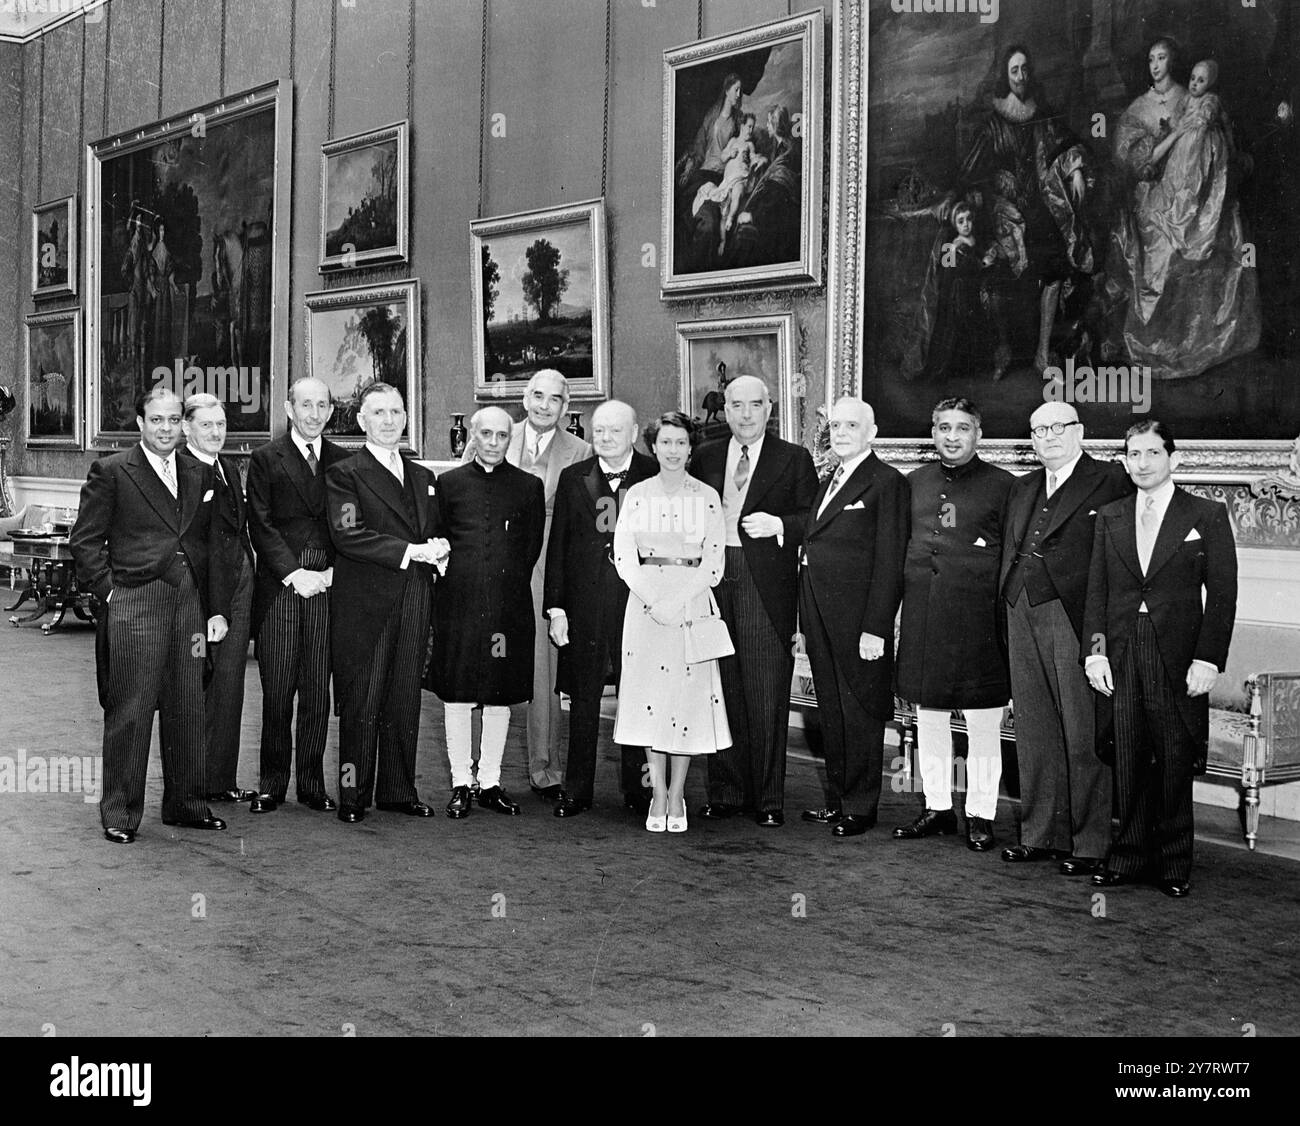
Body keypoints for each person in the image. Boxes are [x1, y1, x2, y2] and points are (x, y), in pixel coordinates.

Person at [69, 386, 232, 844]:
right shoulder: (113, 471)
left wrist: (215, 609)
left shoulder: (199, 473)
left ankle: (187, 805)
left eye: (173, 420)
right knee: (132, 708)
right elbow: (85, 542)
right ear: (140, 423)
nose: (165, 428)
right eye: (156, 420)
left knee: (188, 705)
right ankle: (120, 812)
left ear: (183, 424)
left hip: (190, 608)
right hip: (135, 604)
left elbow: (213, 547)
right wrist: (110, 595)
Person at [1083, 421, 1237, 898]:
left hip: (1178, 656)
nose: (1143, 463)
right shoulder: (1110, 515)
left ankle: (1173, 864)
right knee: (1126, 756)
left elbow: (1224, 594)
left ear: (1173, 458)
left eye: (1152, 453)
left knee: (1173, 758)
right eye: (1134, 454)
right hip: (1124, 650)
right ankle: (1127, 857)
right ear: (1125, 461)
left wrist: (1208, 660)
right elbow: (1097, 592)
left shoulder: (1205, 514)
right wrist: (1096, 654)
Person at [999, 401, 1131, 873]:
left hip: (1073, 615)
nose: (1048, 436)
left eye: (1058, 427)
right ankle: (1040, 835)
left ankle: (1089, 843)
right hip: (1019, 607)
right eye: (1038, 430)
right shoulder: (1023, 486)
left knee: (1082, 731)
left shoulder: (1109, 479)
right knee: (1033, 730)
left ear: (1080, 432)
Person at [693, 375, 818, 827]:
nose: (746, 414)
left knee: (765, 691)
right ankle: (725, 792)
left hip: (763, 580)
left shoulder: (794, 458)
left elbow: (814, 518)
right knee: (720, 688)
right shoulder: (705, 456)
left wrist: (780, 524)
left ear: (770, 409)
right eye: (736, 405)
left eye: (755, 405)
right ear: (725, 410)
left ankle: (767, 799)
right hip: (711, 579)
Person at [893, 398, 1014, 851]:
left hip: (979, 622)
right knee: (931, 720)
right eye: (943, 427)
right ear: (933, 431)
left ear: (977, 434)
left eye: (962, 428)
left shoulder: (1004, 487)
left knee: (984, 726)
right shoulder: (914, 483)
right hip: (926, 617)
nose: (952, 436)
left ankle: (981, 814)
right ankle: (938, 807)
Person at [326, 383, 447, 824]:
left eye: (396, 412)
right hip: (365, 600)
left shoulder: (423, 477)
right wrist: (410, 551)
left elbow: (432, 531)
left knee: (403, 696)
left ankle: (399, 790)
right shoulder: (345, 473)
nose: (389, 421)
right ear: (362, 421)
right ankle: (353, 796)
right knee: (362, 698)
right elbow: (347, 534)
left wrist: (439, 550)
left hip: (415, 594)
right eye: (379, 413)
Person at [1106, 40, 1259, 379]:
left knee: (1216, 226)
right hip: (1163, 187)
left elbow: (1223, 143)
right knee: (1154, 229)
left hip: (1199, 188)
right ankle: (1156, 340)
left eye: (1161, 58)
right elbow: (1137, 161)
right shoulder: (1138, 107)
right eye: (1151, 59)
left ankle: (1194, 341)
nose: (1156, 65)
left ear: (1173, 62)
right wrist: (1153, 160)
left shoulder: (1195, 99)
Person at [941, 43, 1092, 376]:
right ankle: (1004, 347)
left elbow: (1066, 141)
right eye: (1014, 70)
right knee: (1000, 277)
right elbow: (970, 171)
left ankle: (1042, 353)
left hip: (1040, 207)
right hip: (1005, 213)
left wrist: (1077, 169)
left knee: (1054, 270)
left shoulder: (1042, 113)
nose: (1021, 76)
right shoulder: (994, 124)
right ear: (1005, 77)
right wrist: (995, 181)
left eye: (1025, 69)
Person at [613, 411, 730, 833]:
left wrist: (677, 600)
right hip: (645, 608)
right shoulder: (638, 495)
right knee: (652, 700)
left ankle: (677, 793)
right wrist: (654, 599)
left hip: (691, 606)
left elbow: (713, 562)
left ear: (691, 448)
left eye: (681, 443)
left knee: (684, 703)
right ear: (653, 445)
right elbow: (624, 556)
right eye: (666, 442)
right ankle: (657, 793)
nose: (673, 450)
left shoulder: (706, 497)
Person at [798, 397, 909, 837]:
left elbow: (890, 561)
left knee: (860, 713)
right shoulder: (829, 479)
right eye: (836, 425)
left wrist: (876, 628)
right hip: (821, 619)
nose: (840, 433)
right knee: (832, 712)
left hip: (860, 624)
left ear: (872, 432)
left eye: (851, 425)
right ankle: (840, 799)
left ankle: (860, 807)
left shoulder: (886, 483)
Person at [428, 406, 545, 819]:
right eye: (486, 435)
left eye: (501, 435)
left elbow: (529, 549)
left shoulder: (529, 486)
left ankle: (491, 780)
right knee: (458, 693)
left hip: (506, 609)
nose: (494, 443)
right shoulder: (449, 484)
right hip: (457, 605)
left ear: (509, 438)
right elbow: (438, 538)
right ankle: (462, 780)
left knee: (501, 694)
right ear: (473, 437)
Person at [544, 400, 658, 818]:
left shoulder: (655, 474)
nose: (605, 437)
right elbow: (558, 547)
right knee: (584, 698)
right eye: (599, 430)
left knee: (638, 695)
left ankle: (640, 788)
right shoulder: (575, 478)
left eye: (615, 430)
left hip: (641, 606)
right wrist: (556, 608)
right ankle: (576, 790)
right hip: (585, 606)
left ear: (633, 433)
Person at [245, 377, 347, 814]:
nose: (313, 413)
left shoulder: (345, 462)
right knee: (278, 690)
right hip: (282, 588)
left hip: (326, 584)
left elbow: (350, 525)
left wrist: (331, 573)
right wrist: (292, 573)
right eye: (305, 405)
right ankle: (272, 783)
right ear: (289, 408)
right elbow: (260, 524)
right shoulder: (267, 459)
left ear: (330, 411)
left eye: (321, 405)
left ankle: (311, 785)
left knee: (317, 693)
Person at [504, 370, 591, 803]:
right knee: (488, 663)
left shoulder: (580, 451)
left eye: (554, 399)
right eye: (537, 396)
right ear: (524, 397)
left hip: (544, 568)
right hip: (495, 565)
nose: (543, 405)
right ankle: (480, 773)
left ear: (565, 405)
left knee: (543, 670)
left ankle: (544, 767)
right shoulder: (496, 433)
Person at [179, 393, 257, 804]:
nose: (215, 432)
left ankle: (220, 780)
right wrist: (215, 608)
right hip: (204, 597)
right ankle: (192, 783)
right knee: (196, 687)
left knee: (230, 685)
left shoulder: (227, 467)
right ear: (187, 428)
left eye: (221, 425)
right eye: (206, 425)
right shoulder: (181, 470)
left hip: (240, 586)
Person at [674, 71, 746, 273]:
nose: (739, 94)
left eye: (741, 91)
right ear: (726, 90)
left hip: (719, 176)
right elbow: (699, 146)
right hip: (703, 171)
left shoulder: (738, 120)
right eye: (736, 90)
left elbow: (743, 146)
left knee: (708, 219)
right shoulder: (712, 116)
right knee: (684, 213)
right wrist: (690, 165)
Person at [692, 113, 767, 255]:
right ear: (742, 126)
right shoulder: (733, 141)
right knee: (723, 211)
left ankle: (732, 218)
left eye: (752, 127)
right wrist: (730, 154)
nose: (750, 130)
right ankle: (722, 241)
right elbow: (723, 156)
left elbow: (753, 157)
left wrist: (759, 158)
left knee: (737, 193)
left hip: (740, 177)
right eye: (749, 127)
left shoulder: (749, 145)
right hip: (728, 180)